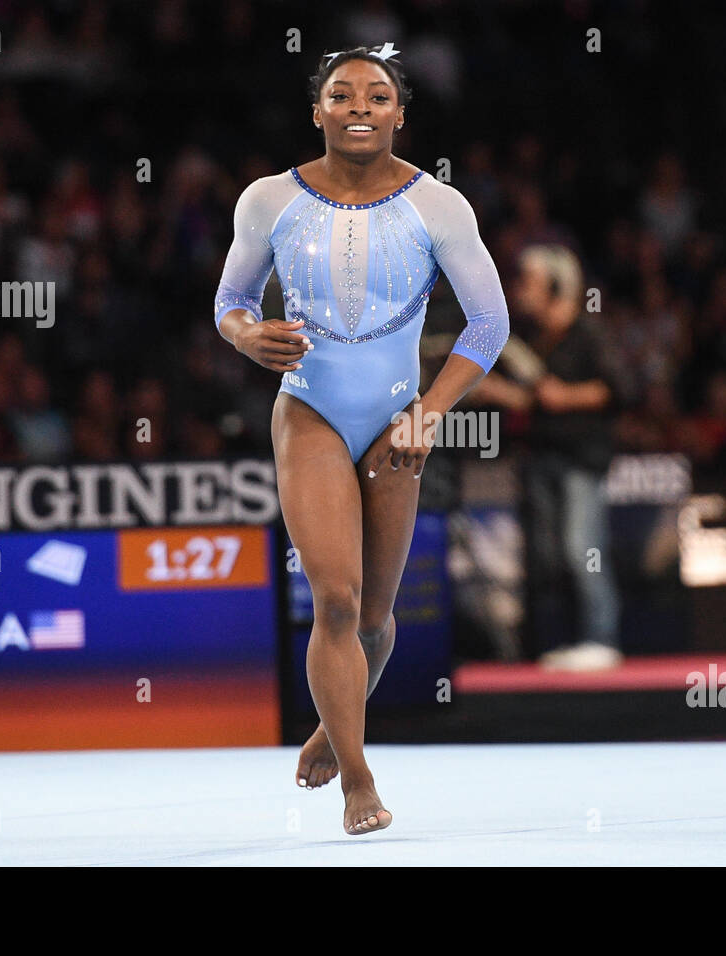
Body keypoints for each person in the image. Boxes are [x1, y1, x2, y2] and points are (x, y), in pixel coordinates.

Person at [212, 44, 508, 834]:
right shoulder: (269, 199)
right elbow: (231, 299)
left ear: (399, 114)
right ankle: (357, 777)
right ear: (318, 111)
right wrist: (246, 337)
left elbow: (491, 321)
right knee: (335, 603)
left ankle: (328, 722)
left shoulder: (437, 205)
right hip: (308, 407)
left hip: (395, 419)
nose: (358, 108)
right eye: (341, 95)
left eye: (376, 97)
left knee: (376, 618)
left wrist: (431, 410)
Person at [473, 245, 636, 670]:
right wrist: (495, 392)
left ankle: (601, 639)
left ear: (557, 286)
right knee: (547, 556)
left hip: (581, 459)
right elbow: (534, 401)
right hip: (541, 456)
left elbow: (618, 389)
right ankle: (565, 640)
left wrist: (565, 397)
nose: (519, 290)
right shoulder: (531, 339)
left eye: (529, 281)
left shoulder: (588, 333)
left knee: (582, 547)